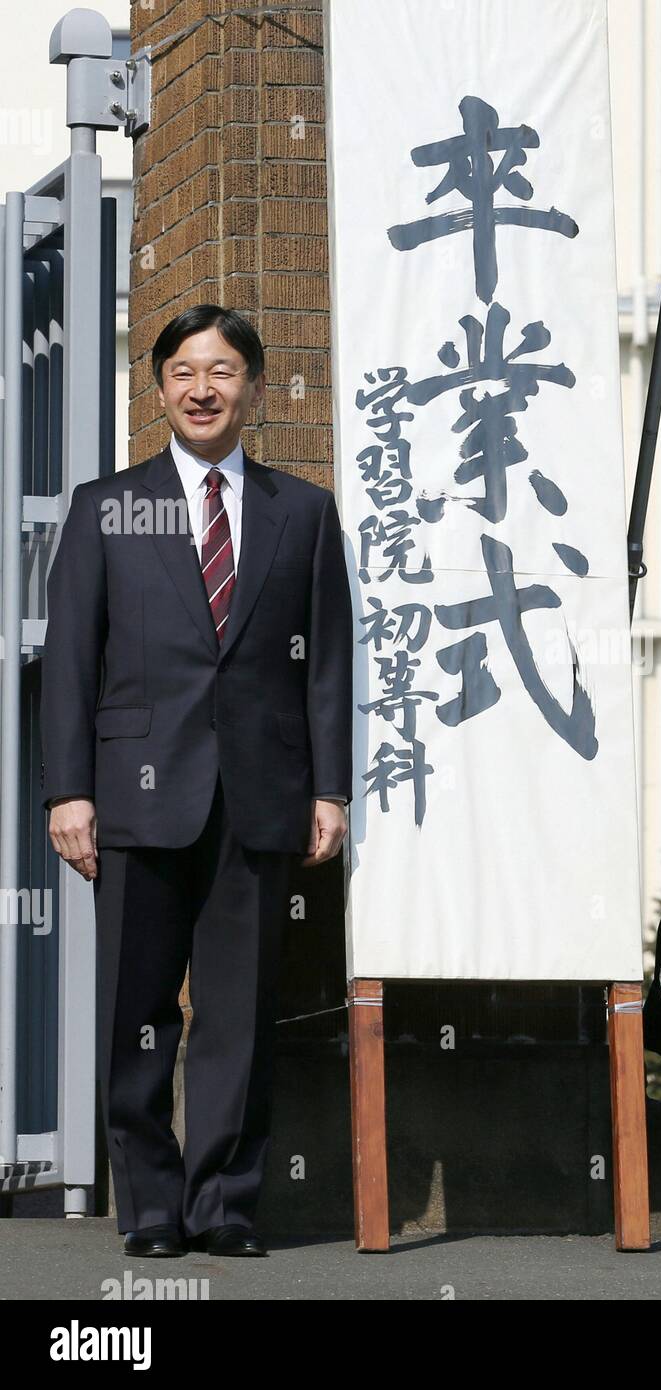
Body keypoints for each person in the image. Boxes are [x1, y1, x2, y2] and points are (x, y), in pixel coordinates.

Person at [40, 304, 353, 1259]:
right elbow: (69, 663)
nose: (203, 388)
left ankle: (225, 1205)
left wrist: (329, 790)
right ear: (161, 388)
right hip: (135, 797)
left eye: (222, 371)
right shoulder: (106, 507)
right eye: (183, 371)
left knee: (238, 1016)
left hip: (259, 798)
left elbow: (328, 666)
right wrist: (68, 791)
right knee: (137, 1013)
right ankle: (149, 1206)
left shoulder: (300, 511)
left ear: (255, 388)